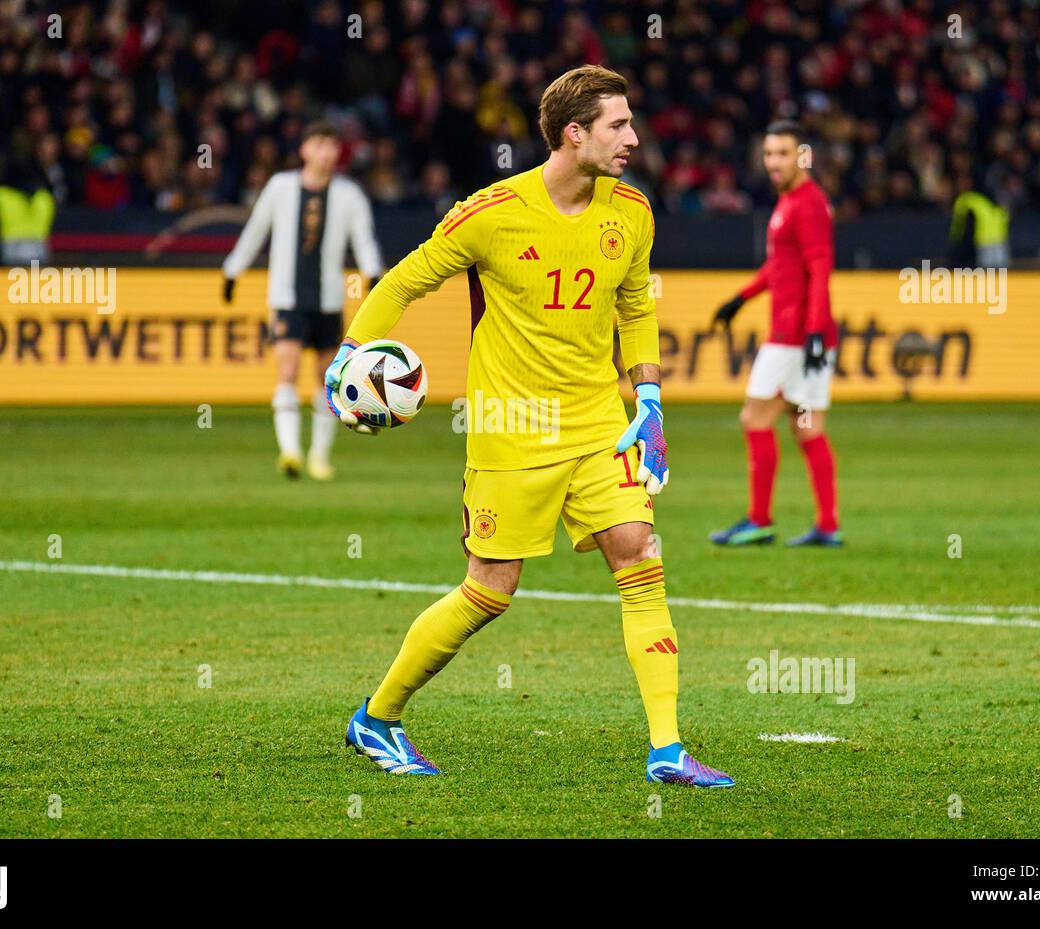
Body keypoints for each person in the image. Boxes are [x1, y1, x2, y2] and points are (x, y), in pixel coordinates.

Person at [326, 66, 734, 787]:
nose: (634, 138)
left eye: (632, 123)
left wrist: (649, 401)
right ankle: (378, 716)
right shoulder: (490, 213)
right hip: (509, 425)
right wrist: (351, 353)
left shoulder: (632, 212)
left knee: (639, 556)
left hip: (598, 421)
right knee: (490, 588)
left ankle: (667, 748)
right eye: (618, 125)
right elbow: (403, 281)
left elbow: (635, 309)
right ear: (573, 133)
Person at [222, 122, 383, 480]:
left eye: (332, 146)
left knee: (328, 379)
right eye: (320, 144)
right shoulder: (280, 187)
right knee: (288, 370)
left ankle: (319, 456)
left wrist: (373, 273)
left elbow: (363, 237)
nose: (326, 153)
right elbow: (256, 230)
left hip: (327, 299)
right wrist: (233, 270)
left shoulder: (348, 194)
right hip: (286, 298)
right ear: (305, 149)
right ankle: (290, 452)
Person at [710, 120, 843, 548]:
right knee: (807, 427)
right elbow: (782, 267)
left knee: (754, 418)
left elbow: (820, 269)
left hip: (794, 336)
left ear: (803, 157)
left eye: (783, 153)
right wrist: (741, 297)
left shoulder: (807, 204)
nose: (774, 163)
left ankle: (759, 520)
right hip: (802, 333)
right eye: (769, 154)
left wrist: (815, 331)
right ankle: (827, 526)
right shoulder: (792, 202)